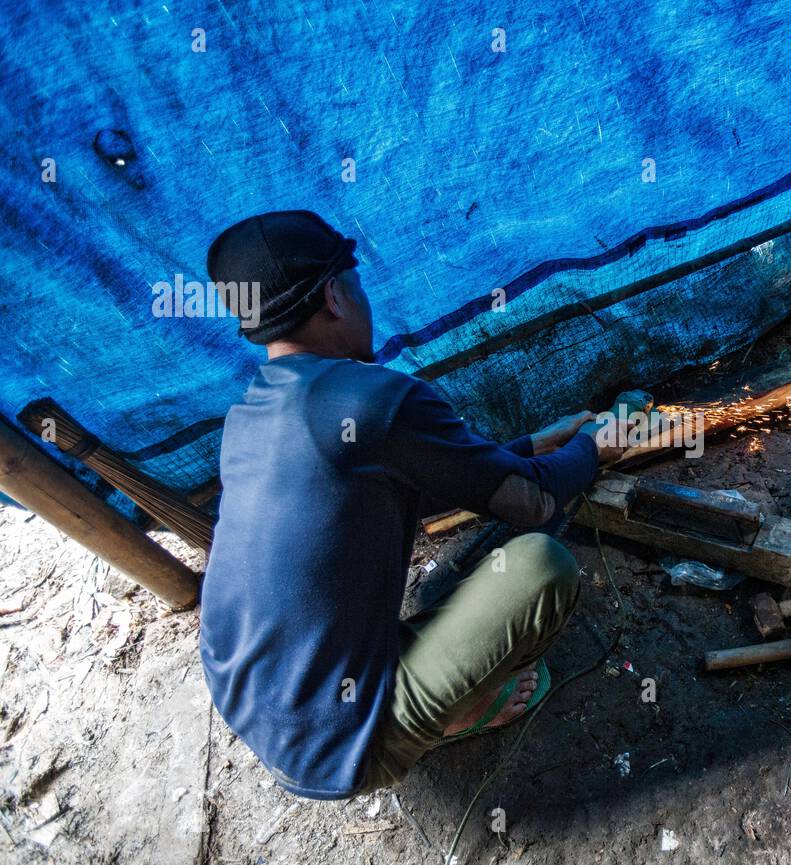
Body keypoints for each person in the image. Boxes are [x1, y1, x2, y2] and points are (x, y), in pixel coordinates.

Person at [199, 210, 623, 799]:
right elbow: (535, 503)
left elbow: (410, 480)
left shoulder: (248, 417)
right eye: (358, 283)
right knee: (541, 567)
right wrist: (592, 448)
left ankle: (396, 698)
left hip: (255, 707)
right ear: (335, 297)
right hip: (339, 750)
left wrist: (529, 446)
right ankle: (464, 712)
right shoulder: (377, 396)